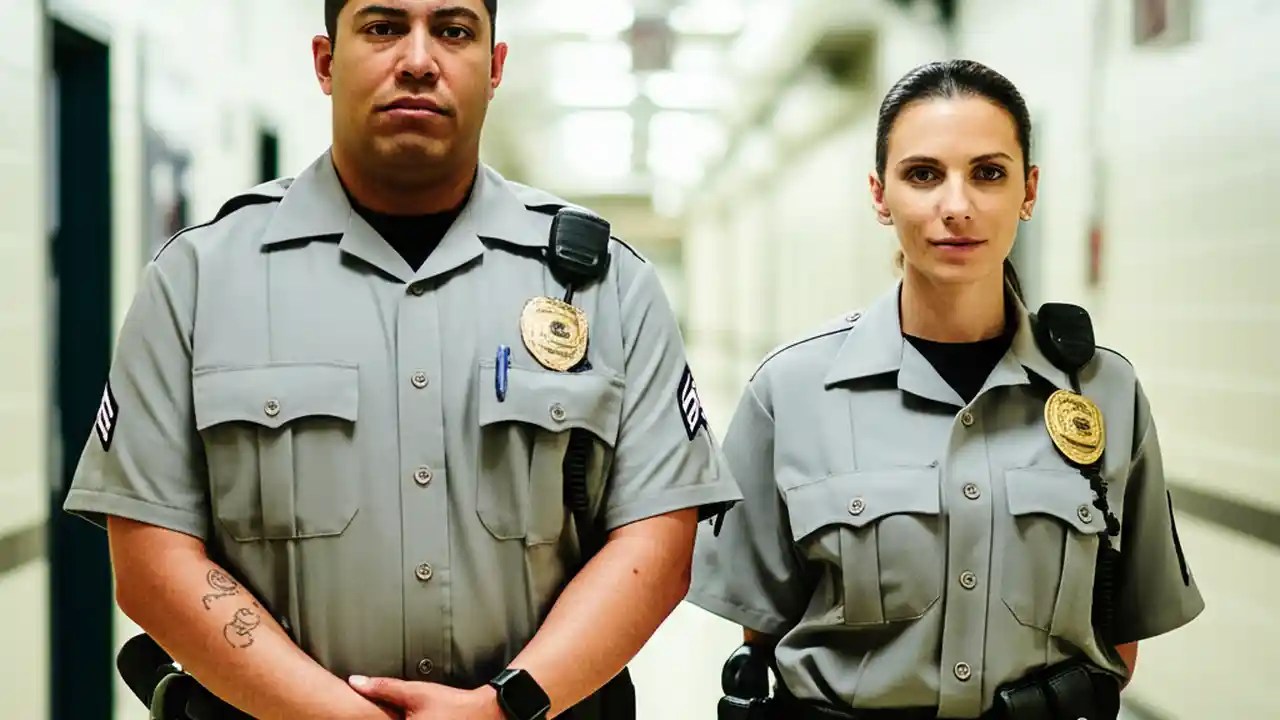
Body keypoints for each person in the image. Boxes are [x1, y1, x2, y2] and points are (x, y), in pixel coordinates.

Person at [62, 1, 741, 718]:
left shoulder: (609, 286)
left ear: (495, 68)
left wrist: (499, 709)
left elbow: (656, 546)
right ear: (326, 62)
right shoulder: (199, 280)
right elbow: (150, 562)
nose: (418, 60)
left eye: (453, 31)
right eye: (383, 28)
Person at [686, 59, 1204, 720]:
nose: (956, 206)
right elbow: (761, 633)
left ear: (1029, 190)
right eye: (923, 174)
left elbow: (1120, 634)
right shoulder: (791, 392)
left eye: (988, 173)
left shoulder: (1106, 391)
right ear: (879, 195)